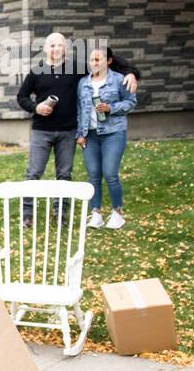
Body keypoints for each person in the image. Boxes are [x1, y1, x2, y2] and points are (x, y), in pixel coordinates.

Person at [15, 32, 139, 225]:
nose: (56, 49)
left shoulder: (77, 69)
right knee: (33, 173)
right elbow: (21, 97)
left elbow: (107, 63)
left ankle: (61, 214)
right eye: (52, 45)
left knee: (64, 174)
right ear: (46, 48)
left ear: (65, 48)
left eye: (60, 45)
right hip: (42, 130)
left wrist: (130, 72)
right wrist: (35, 107)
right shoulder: (36, 72)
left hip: (68, 131)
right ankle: (27, 215)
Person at [76, 47, 137, 230]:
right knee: (93, 175)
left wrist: (111, 108)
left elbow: (131, 102)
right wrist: (80, 134)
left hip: (114, 133)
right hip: (90, 135)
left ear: (108, 61)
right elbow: (80, 110)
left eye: (98, 59)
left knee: (110, 174)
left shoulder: (119, 80)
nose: (94, 63)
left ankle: (117, 213)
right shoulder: (83, 83)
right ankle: (96, 214)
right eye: (92, 60)